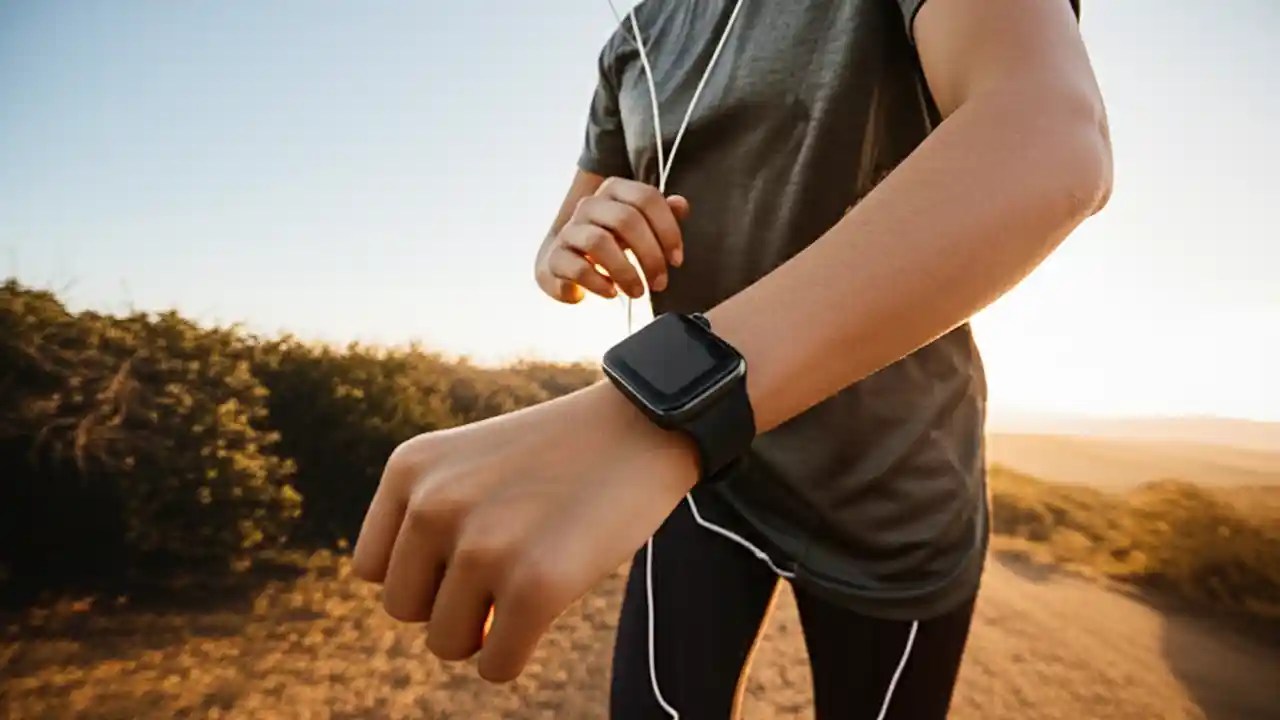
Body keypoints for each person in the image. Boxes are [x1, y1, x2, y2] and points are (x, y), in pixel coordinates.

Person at [352, 0, 1110, 717]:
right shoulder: (634, 41)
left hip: (891, 481)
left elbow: (1046, 137)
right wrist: (579, 241)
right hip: (708, 477)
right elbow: (556, 247)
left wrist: (659, 406)